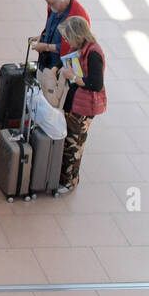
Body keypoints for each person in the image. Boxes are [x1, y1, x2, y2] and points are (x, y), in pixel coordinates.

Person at [55, 17, 106, 194]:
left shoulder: (93, 53)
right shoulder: (80, 48)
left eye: (67, 37)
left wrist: (73, 77)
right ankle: (64, 177)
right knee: (69, 140)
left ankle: (70, 181)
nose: (66, 41)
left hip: (84, 107)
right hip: (75, 101)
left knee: (74, 144)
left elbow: (96, 83)